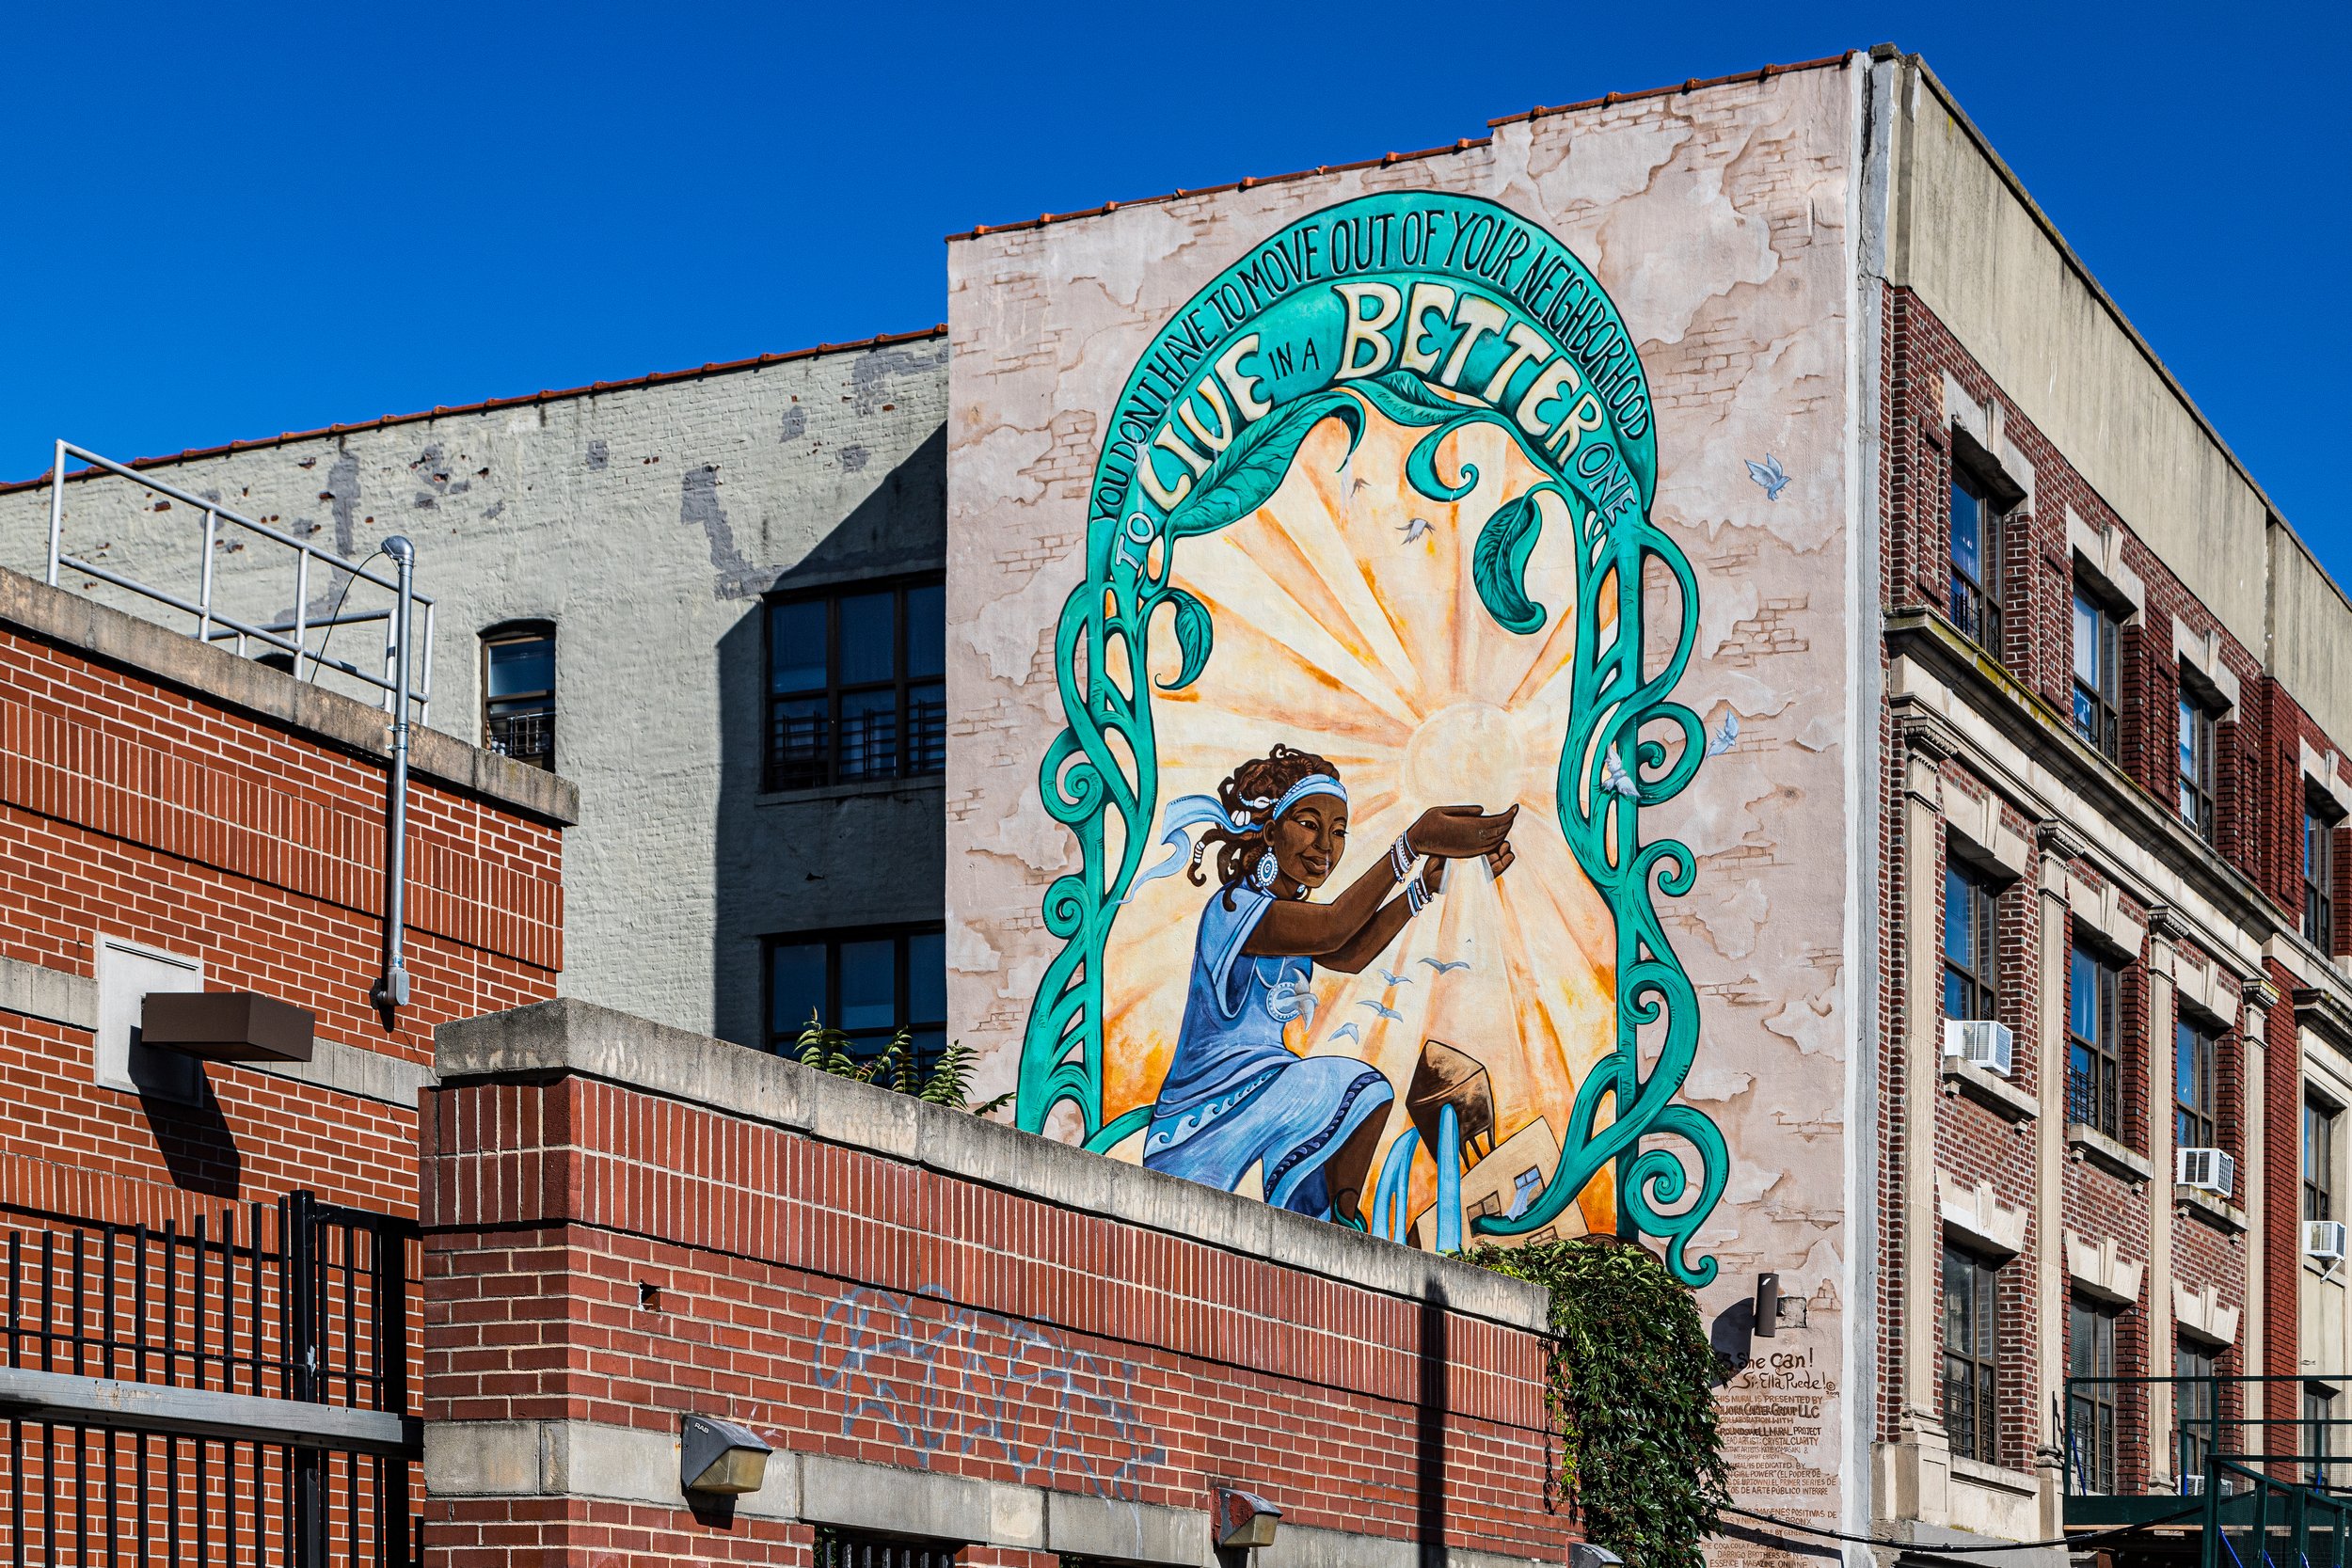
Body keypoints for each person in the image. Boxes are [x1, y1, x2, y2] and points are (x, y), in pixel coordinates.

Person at [1141, 742, 1516, 1226]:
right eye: (1310, 825)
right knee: (1355, 1085)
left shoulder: (1288, 915)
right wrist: (1411, 846)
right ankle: (1321, 1215)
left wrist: (1425, 885)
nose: (1325, 848)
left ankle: (1336, 1221)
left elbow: (1351, 952)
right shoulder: (1233, 909)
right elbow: (1335, 927)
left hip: (1269, 1090)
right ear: (1271, 831)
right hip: (1204, 1116)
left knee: (1370, 1095)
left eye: (1338, 833)